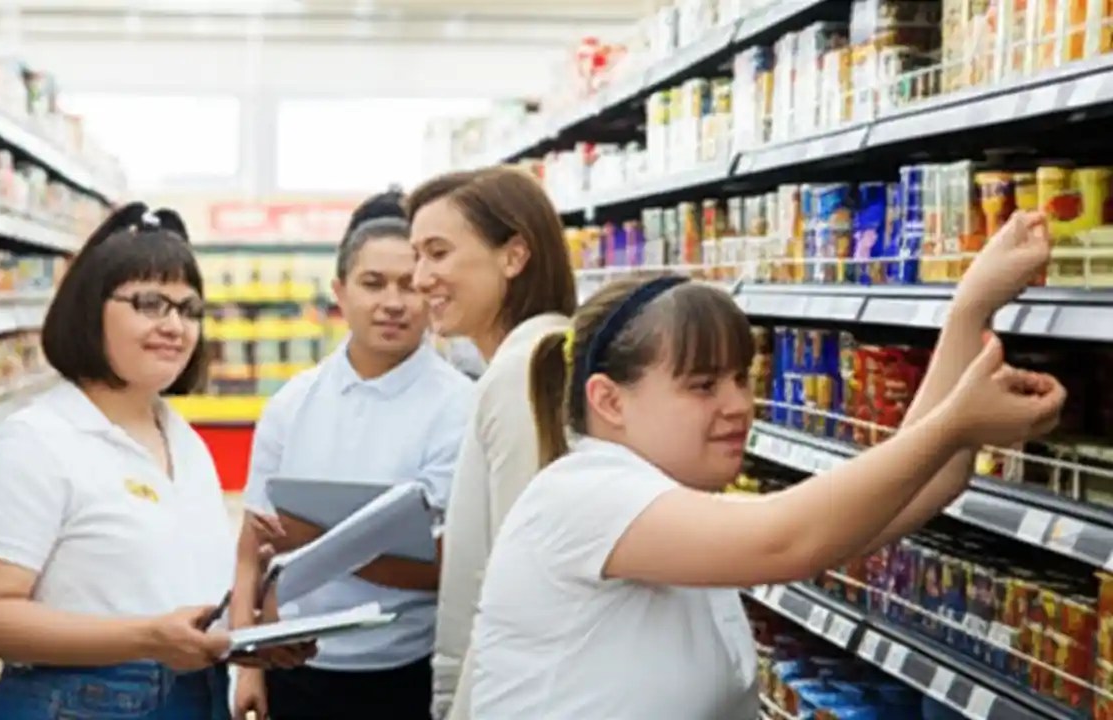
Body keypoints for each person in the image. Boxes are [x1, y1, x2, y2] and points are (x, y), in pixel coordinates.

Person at [466, 211, 1066, 718]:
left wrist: (968, 311)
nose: (737, 405)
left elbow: (921, 485)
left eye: (740, 378)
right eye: (703, 386)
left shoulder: (666, 506)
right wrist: (958, 420)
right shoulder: (581, 495)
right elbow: (792, 540)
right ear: (609, 400)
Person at [0, 202, 314, 720]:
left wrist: (241, 641)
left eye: (189, 310)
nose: (175, 326)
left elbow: (165, 588)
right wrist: (146, 638)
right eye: (149, 303)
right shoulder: (35, 442)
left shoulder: (182, 439)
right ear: (89, 309)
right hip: (79, 704)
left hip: (193, 695)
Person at [231, 214, 473, 720]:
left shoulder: (461, 407)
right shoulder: (293, 402)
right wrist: (248, 660)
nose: (392, 302)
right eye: (372, 283)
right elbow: (252, 550)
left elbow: (447, 567)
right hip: (296, 665)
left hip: (409, 670)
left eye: (409, 285)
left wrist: (313, 537)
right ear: (339, 293)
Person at [406, 166, 577, 718]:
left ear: (514, 255)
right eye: (417, 256)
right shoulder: (536, 356)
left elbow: (521, 578)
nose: (419, 278)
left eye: (438, 252)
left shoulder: (524, 371)